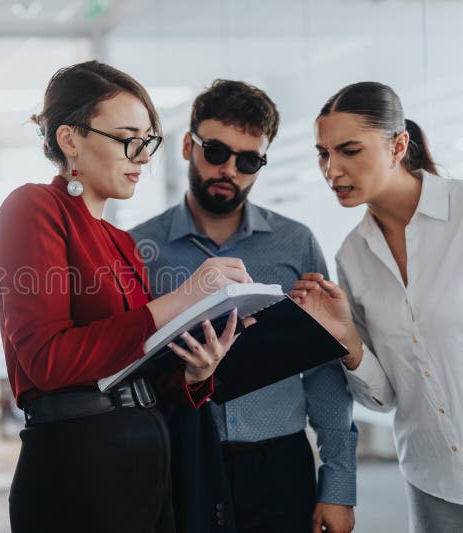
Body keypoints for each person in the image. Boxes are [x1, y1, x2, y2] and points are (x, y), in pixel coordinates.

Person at [0, 61, 254, 533]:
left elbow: (133, 361)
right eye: (129, 138)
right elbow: (48, 361)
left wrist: (195, 371)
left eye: (148, 141)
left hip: (145, 457)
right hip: (78, 465)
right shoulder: (32, 209)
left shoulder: (120, 241)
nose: (143, 157)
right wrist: (185, 298)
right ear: (70, 140)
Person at [131, 80, 358, 533]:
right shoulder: (138, 248)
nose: (229, 170)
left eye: (249, 160)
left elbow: (323, 372)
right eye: (215, 151)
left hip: (279, 464)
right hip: (180, 461)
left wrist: (338, 486)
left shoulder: (295, 244)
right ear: (187, 146)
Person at [290, 81, 463, 533]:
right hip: (436, 483)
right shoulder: (352, 256)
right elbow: (384, 396)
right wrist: (346, 338)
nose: (331, 169)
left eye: (349, 150)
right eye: (323, 153)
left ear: (398, 146)